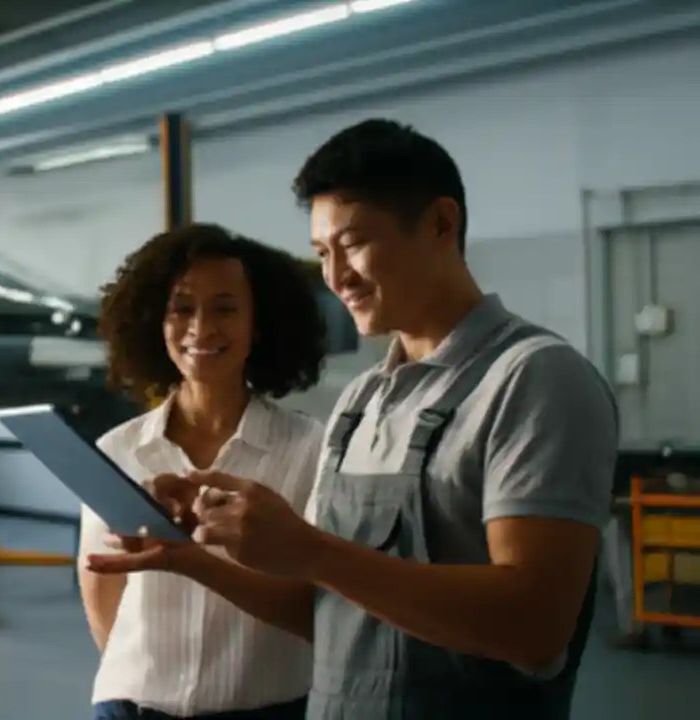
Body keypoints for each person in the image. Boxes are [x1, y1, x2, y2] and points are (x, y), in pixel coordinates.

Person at [87, 119, 618, 719]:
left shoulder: (533, 378)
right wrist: (185, 556)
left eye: (355, 243)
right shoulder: (362, 402)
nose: (337, 277)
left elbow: (535, 625)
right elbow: (325, 616)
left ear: (441, 224)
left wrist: (312, 550)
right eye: (323, 254)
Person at [80, 223, 329, 720]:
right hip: (132, 708)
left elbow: (320, 601)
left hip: (268, 710)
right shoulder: (118, 450)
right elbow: (101, 588)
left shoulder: (312, 449)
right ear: (156, 320)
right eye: (182, 308)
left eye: (225, 309)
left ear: (258, 324)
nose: (201, 328)